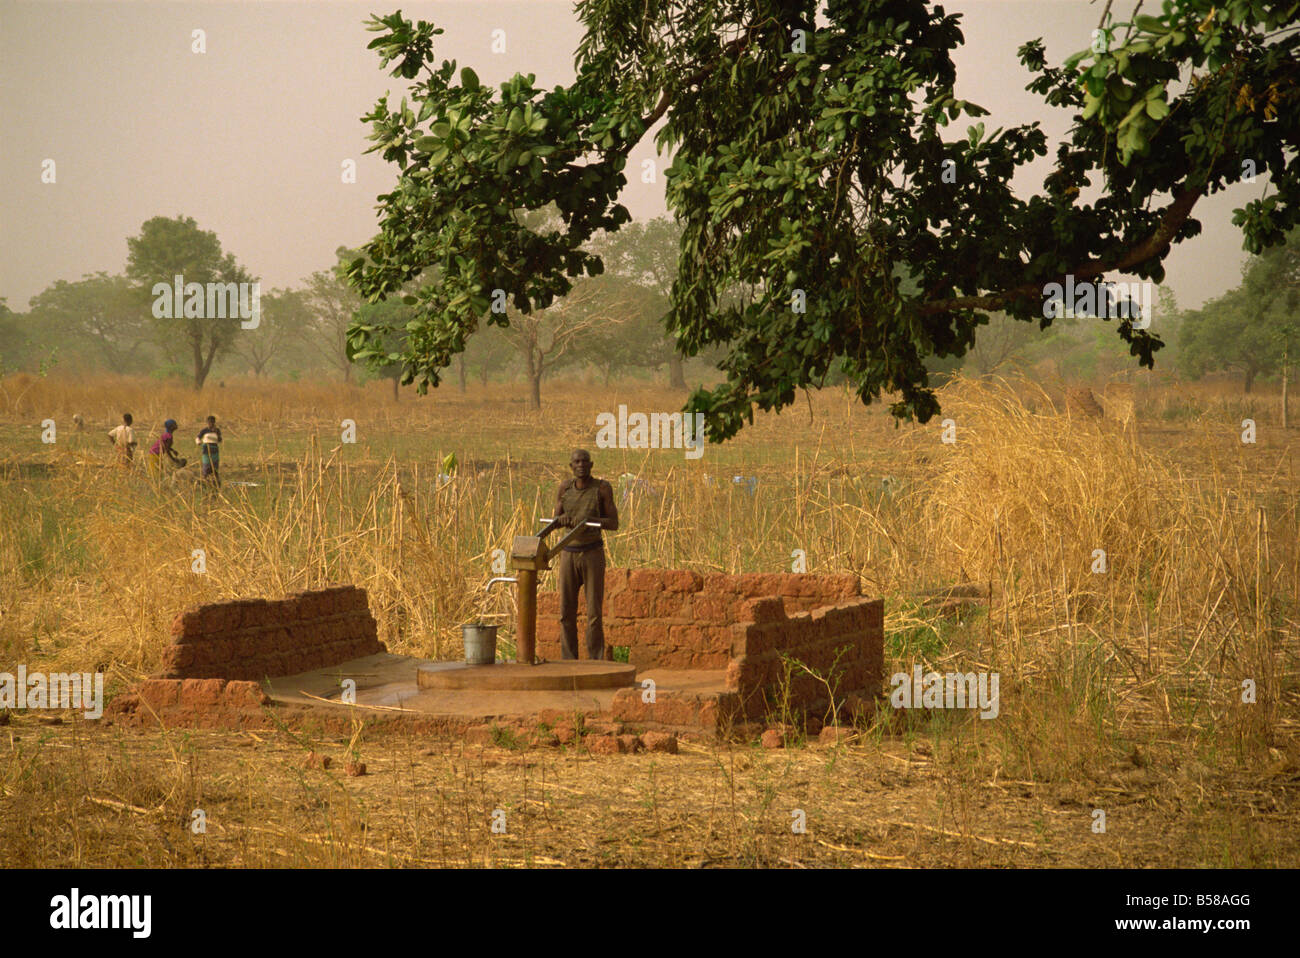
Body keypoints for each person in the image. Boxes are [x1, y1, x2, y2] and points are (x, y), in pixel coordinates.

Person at [553, 449, 619, 660]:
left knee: (594, 615)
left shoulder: (601, 488)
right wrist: (562, 519)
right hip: (568, 554)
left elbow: (614, 523)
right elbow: (555, 519)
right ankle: (569, 660)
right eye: (576, 462)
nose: (581, 465)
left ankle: (595, 661)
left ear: (591, 465)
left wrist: (592, 523)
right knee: (566, 613)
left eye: (584, 462)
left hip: (592, 553)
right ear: (571, 467)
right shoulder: (565, 488)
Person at [196, 415, 222, 484]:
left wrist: (216, 433)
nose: (211, 424)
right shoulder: (204, 430)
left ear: (214, 422)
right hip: (206, 448)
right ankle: (204, 479)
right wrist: (199, 442)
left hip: (215, 449)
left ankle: (216, 481)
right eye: (209, 422)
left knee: (215, 465)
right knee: (207, 464)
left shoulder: (217, 430)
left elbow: (220, 440)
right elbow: (198, 438)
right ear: (207, 422)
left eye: (212, 422)